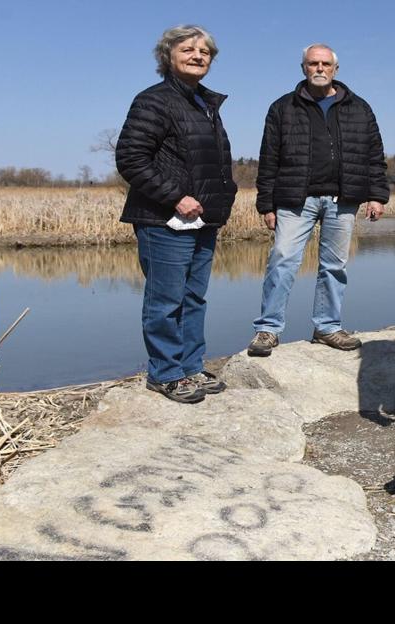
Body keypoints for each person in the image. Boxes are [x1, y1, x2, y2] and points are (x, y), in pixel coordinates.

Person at [115, 25, 236, 404]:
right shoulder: (154, 101)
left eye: (205, 51)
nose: (198, 56)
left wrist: (223, 198)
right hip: (163, 219)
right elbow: (130, 158)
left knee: (194, 297)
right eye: (188, 49)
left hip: (203, 219)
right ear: (168, 56)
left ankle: (190, 366)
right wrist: (175, 197)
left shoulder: (204, 104)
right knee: (165, 300)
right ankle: (165, 374)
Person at [248, 44, 391, 356]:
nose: (319, 69)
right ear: (303, 68)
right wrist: (266, 204)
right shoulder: (282, 108)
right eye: (313, 63)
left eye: (325, 64)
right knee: (282, 261)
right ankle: (267, 330)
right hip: (294, 199)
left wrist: (377, 195)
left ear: (335, 70)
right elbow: (268, 159)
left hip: (344, 199)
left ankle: (327, 327)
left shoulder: (359, 107)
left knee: (334, 266)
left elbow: (374, 155)